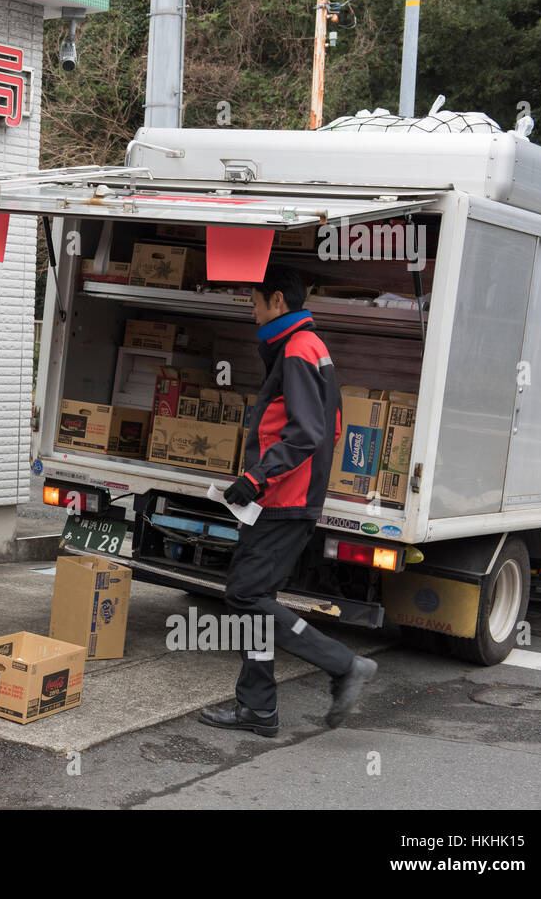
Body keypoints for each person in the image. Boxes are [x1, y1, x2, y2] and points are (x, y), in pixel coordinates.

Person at [199, 265, 377, 737]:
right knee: (259, 599)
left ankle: (343, 665)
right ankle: (257, 709)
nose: (251, 311)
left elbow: (307, 432)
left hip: (282, 499)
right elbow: (324, 428)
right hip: (288, 497)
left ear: (278, 301)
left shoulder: (298, 350)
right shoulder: (306, 347)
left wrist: (256, 479)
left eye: (254, 301)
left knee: (244, 596)